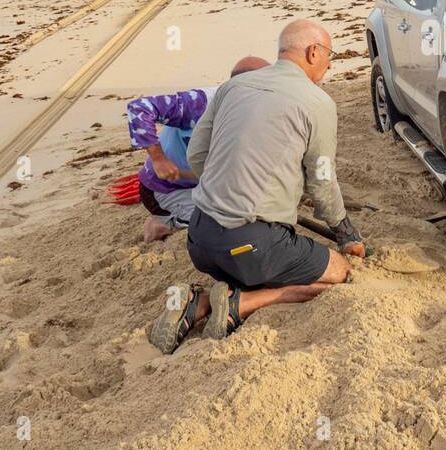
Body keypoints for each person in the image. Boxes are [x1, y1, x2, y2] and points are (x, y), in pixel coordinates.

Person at [148, 20, 365, 354]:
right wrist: (346, 232)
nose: (330, 64)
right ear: (312, 53)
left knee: (258, 262)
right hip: (250, 243)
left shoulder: (232, 88)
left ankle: (200, 303)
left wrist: (230, 187)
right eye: (329, 56)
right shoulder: (318, 102)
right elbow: (322, 182)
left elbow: (197, 155)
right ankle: (240, 304)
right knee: (337, 273)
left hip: (200, 238)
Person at [127, 56, 269, 243]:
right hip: (168, 188)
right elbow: (139, 108)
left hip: (208, 184)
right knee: (221, 226)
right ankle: (165, 223)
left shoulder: (261, 108)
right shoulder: (200, 103)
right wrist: (158, 158)